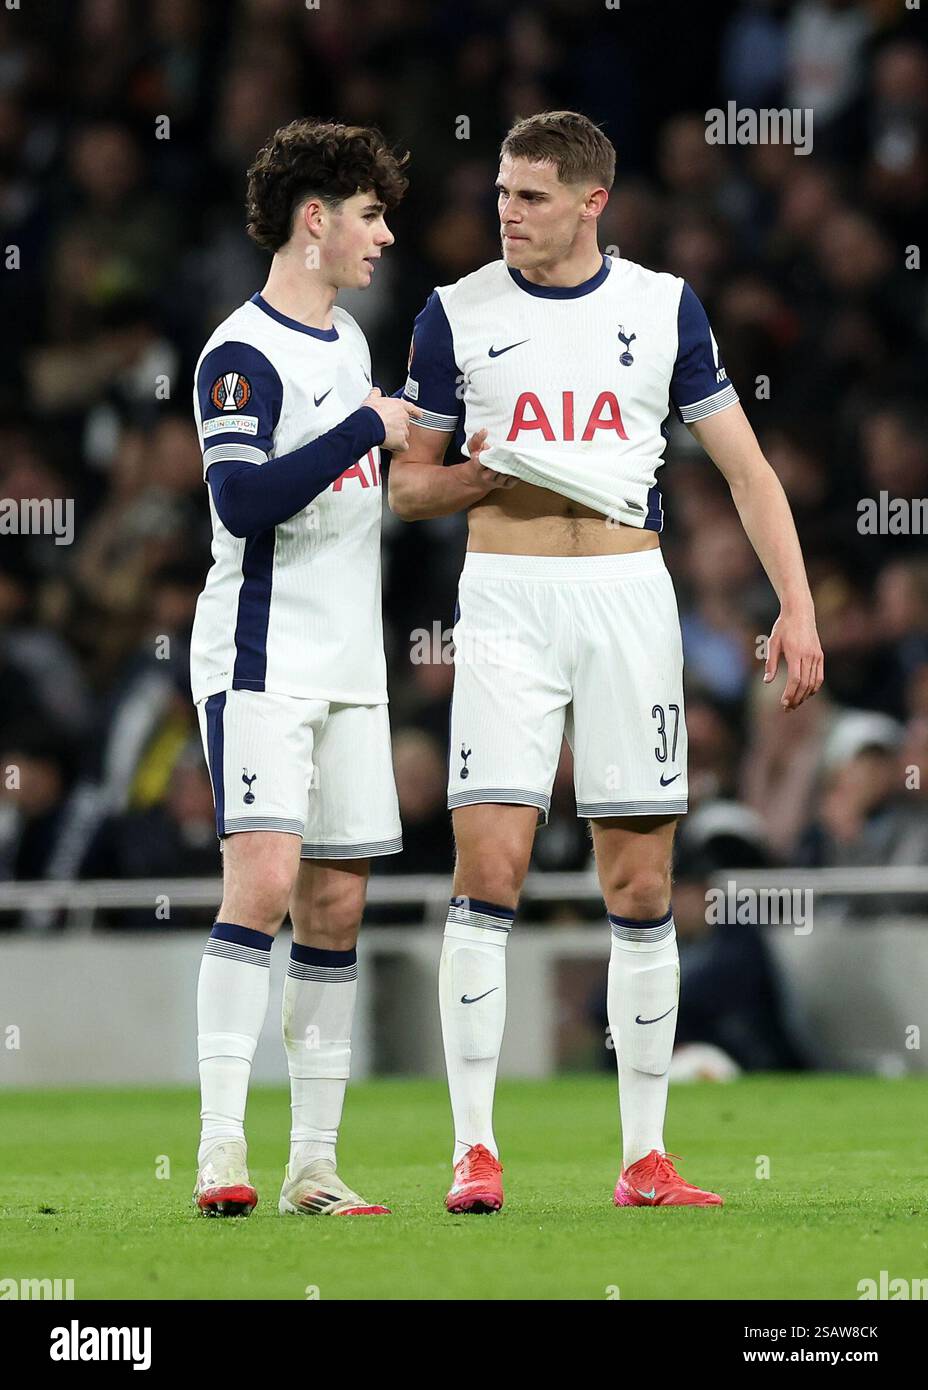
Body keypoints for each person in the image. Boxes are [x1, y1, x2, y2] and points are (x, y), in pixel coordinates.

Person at [390, 110, 824, 1213]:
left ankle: (643, 1158)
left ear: (592, 203)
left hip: (629, 599)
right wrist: (486, 478)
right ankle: (473, 1151)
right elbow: (411, 485)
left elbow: (745, 467)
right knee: (487, 868)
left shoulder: (661, 304)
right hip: (505, 599)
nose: (505, 213)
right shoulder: (454, 314)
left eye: (529, 196)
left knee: (640, 881)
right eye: (499, 192)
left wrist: (797, 606)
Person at [189, 119, 419, 1217]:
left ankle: (312, 1166)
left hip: (351, 666)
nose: (382, 236)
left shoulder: (352, 344)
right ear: (314, 218)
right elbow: (242, 501)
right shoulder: (240, 353)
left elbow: (352, 493)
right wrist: (362, 430)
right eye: (369, 214)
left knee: (334, 902)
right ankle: (220, 1150)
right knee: (266, 882)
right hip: (259, 656)